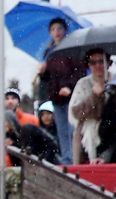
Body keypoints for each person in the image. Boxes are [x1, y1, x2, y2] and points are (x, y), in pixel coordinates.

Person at [36, 18, 85, 164]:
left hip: (71, 96)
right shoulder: (49, 53)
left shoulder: (72, 49)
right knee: (62, 130)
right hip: (56, 97)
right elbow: (48, 79)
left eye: (59, 29)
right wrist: (42, 72)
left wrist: (69, 87)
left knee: (72, 129)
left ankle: (75, 159)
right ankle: (67, 160)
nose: (56, 32)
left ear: (65, 31)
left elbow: (79, 72)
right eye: (53, 29)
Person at [68, 48, 113, 163]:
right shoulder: (83, 84)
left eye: (101, 61)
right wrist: (94, 96)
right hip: (89, 129)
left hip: (113, 127)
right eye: (93, 62)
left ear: (108, 63)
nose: (98, 65)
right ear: (89, 65)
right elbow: (76, 112)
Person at [0, 87, 39, 172]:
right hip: (0, 169)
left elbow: (38, 145)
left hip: (25, 167)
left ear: (18, 101)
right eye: (7, 98)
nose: (10, 101)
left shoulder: (31, 120)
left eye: (13, 98)